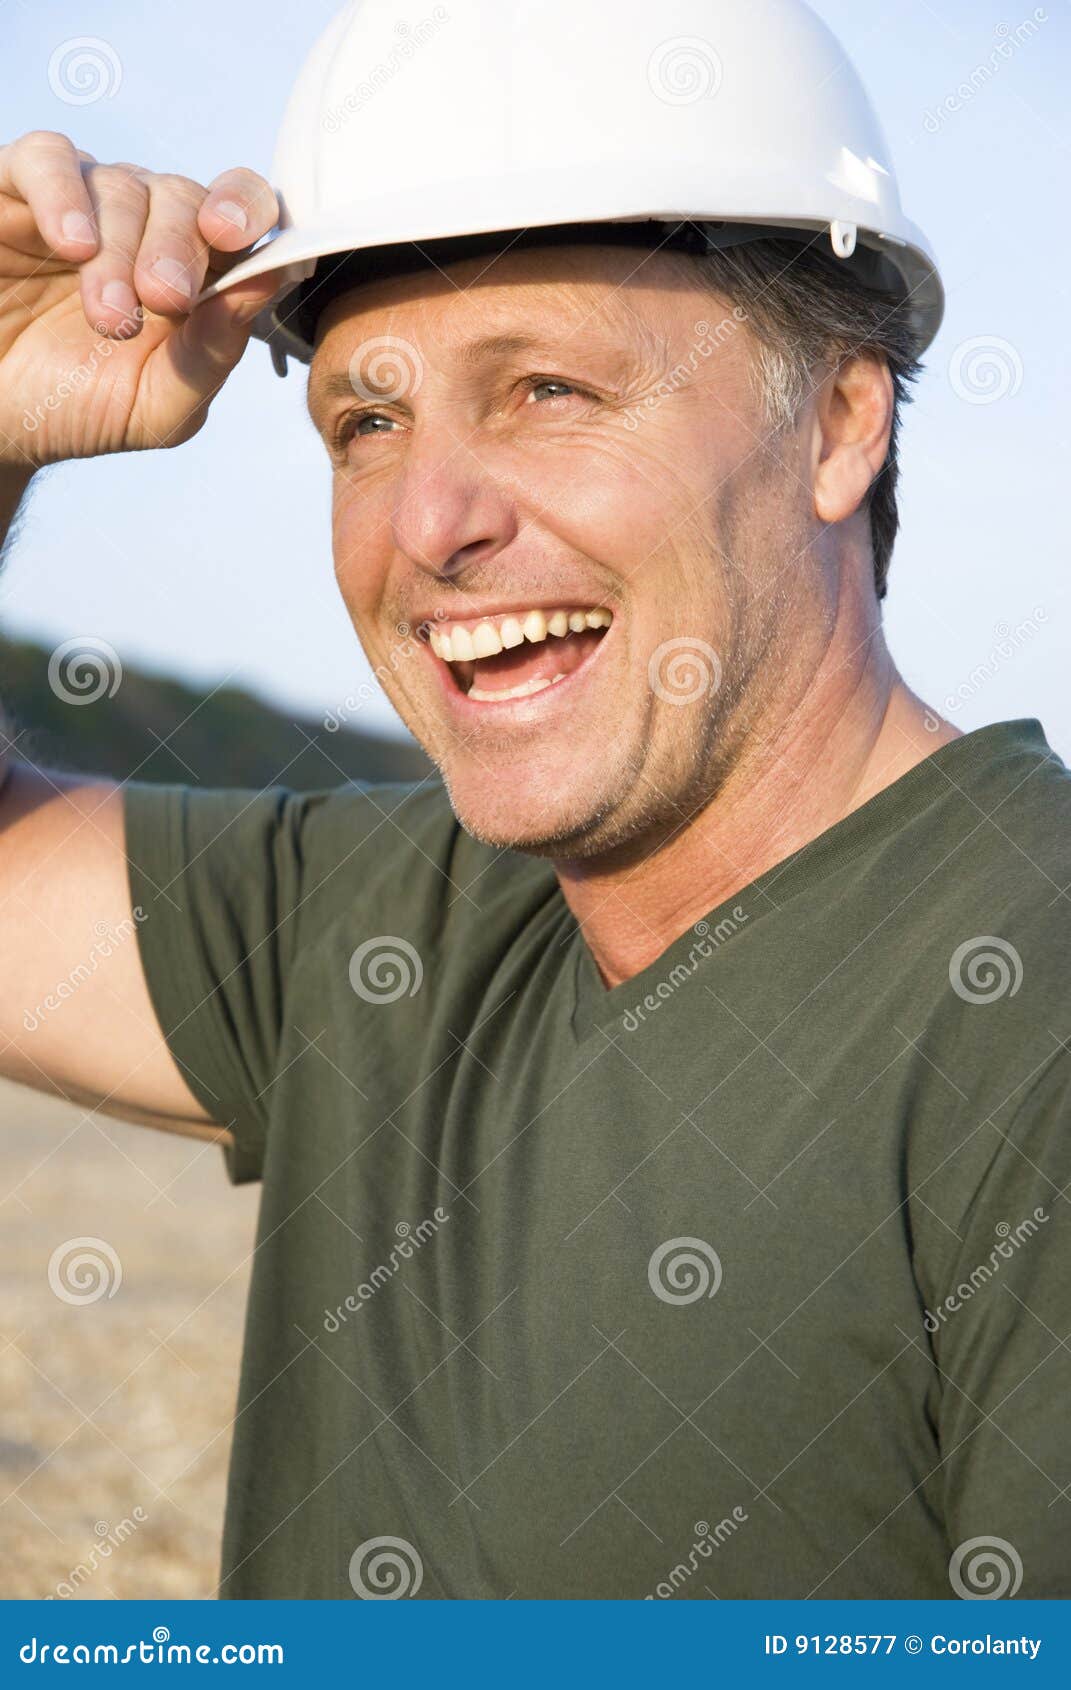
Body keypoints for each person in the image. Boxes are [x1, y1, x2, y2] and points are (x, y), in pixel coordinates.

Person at [1, 0, 1068, 1602]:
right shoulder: (380, 931)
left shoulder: (1027, 1005)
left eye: (548, 389)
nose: (427, 519)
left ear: (839, 420)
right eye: (367, 420)